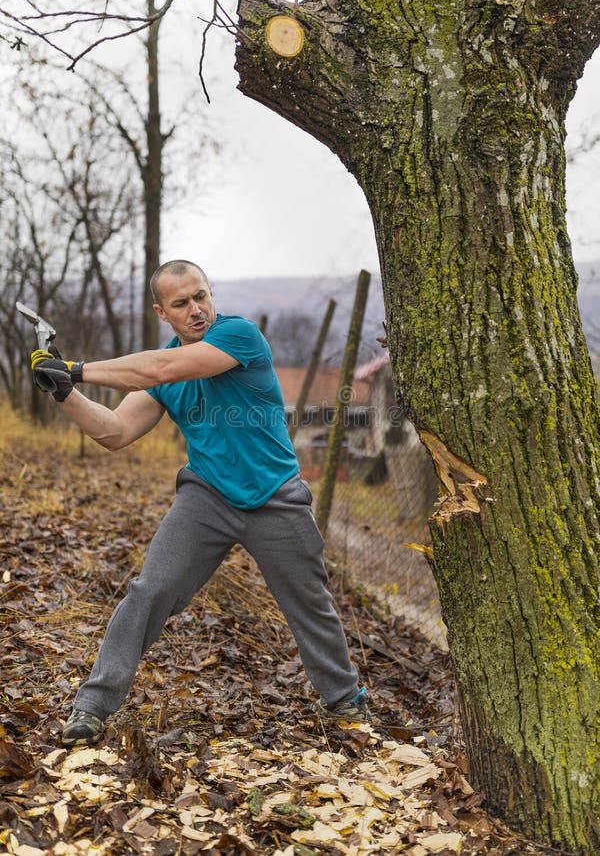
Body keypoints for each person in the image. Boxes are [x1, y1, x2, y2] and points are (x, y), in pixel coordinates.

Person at [31, 260, 369, 747]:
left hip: (275, 497)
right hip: (206, 497)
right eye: (181, 303)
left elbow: (161, 367)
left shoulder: (238, 336)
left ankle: (344, 702)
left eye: (201, 296)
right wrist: (65, 392)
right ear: (161, 312)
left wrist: (78, 369)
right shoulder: (167, 370)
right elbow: (115, 431)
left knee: (310, 605)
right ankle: (91, 707)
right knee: (149, 592)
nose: (196, 310)